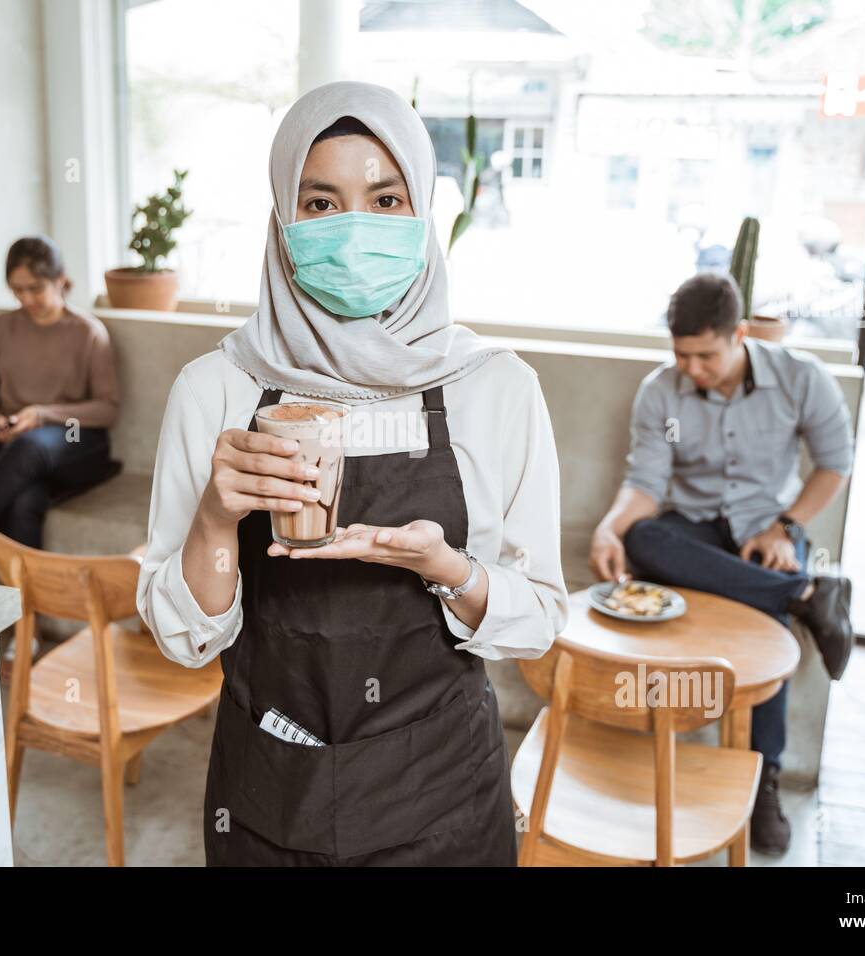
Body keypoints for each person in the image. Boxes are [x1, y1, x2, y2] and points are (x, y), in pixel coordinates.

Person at [135, 81, 569, 866]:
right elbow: (183, 641)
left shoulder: (495, 388)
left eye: (387, 198)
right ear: (282, 219)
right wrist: (212, 521)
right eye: (322, 203)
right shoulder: (217, 388)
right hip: (272, 791)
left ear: (423, 215)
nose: (356, 228)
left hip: (442, 795)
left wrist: (449, 570)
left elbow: (538, 616)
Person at [589, 271, 855, 856]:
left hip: (769, 527)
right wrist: (611, 526)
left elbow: (835, 463)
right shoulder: (661, 391)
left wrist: (785, 527)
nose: (692, 370)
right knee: (645, 540)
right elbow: (646, 484)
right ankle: (805, 596)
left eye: (705, 355)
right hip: (697, 529)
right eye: (681, 355)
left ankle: (765, 788)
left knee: (768, 628)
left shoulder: (800, 377)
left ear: (739, 334)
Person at [0, 235, 120, 549]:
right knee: (22, 500)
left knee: (30, 445)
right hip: (13, 447)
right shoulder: (0, 329)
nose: (26, 299)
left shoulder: (88, 332)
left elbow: (107, 408)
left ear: (60, 281)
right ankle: (21, 599)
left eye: (36, 288)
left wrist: (42, 415)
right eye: (17, 289)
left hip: (74, 439)